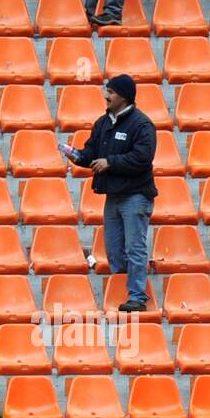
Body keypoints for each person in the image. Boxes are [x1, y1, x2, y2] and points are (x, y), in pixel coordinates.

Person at [64, 74, 157, 313]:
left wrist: (111, 163)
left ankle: (137, 296)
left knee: (134, 247)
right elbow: (92, 153)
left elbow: (143, 158)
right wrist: (77, 156)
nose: (106, 96)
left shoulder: (141, 124)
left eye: (111, 92)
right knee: (114, 248)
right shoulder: (103, 123)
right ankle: (122, 291)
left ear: (123, 96)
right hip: (113, 195)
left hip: (136, 195)